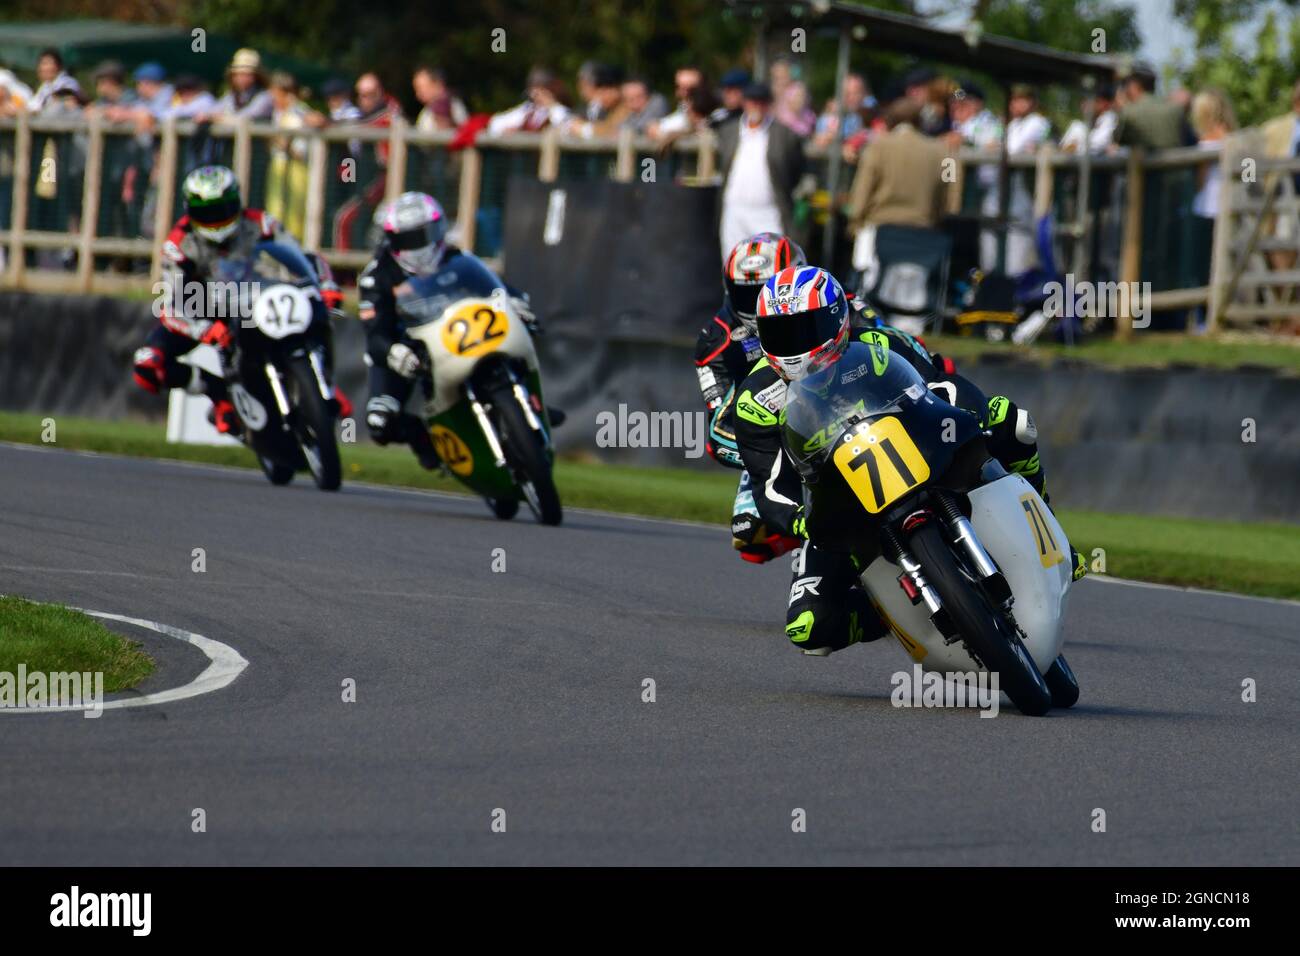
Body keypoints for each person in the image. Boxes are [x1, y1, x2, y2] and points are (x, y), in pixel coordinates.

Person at [735, 265, 1082, 654]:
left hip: (924, 456)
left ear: (835, 318)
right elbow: (769, 482)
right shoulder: (754, 402)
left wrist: (974, 412)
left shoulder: (882, 344)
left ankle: (1053, 534)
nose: (791, 345)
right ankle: (886, 610)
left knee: (1011, 421)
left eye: (801, 330)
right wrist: (801, 520)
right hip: (840, 508)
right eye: (778, 333)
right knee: (808, 629)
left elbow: (939, 385)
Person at [132, 165, 344, 434]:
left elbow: (304, 257)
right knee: (148, 363)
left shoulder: (261, 223)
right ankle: (218, 394)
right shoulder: (178, 245)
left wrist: (325, 286)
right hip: (205, 310)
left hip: (257, 296)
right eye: (207, 213)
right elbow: (170, 306)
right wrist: (205, 328)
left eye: (223, 210)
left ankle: (325, 381)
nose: (217, 221)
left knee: (319, 309)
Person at [356, 192, 546, 467]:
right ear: (392, 241)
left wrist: (514, 301)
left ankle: (531, 405)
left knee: (512, 351)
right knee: (380, 422)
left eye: (426, 234)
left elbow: (489, 285)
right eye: (409, 239)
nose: (420, 247)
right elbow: (375, 335)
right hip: (404, 352)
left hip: (455, 335)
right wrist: (394, 351)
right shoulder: (376, 277)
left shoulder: (455, 257)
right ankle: (426, 441)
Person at [695, 233, 807, 562]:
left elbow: (882, 336)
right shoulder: (716, 340)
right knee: (749, 537)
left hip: (846, 402)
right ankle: (813, 546)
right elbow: (720, 429)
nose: (760, 300)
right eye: (748, 293)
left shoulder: (826, 297)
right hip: (773, 428)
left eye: (767, 288)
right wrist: (774, 450)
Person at [716, 82, 807, 261]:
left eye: (761, 102)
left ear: (768, 104)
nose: (756, 106)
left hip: (768, 211)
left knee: (771, 264)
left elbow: (796, 168)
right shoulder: (730, 130)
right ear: (745, 103)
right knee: (733, 264)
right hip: (734, 210)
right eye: (752, 101)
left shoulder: (783, 134)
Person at [1113, 63, 1188, 151]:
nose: (1125, 89)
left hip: (1140, 164)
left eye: (1126, 84)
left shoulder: (1128, 112)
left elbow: (1118, 142)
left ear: (1135, 86)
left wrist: (1120, 108)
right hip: (1176, 164)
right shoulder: (1176, 109)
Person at [487, 67, 571, 134]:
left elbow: (564, 126)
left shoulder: (560, 110)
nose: (536, 94)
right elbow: (495, 123)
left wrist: (551, 105)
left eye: (541, 88)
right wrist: (507, 130)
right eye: (534, 89)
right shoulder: (527, 109)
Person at [206, 48, 273, 122]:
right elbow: (215, 110)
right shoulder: (232, 95)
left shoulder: (265, 96)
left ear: (256, 77)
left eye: (246, 74)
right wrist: (209, 116)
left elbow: (246, 117)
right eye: (238, 74)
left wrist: (220, 118)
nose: (241, 78)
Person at [413, 67, 468, 132]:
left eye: (420, 88)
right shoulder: (427, 111)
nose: (418, 94)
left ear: (438, 84)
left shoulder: (453, 107)